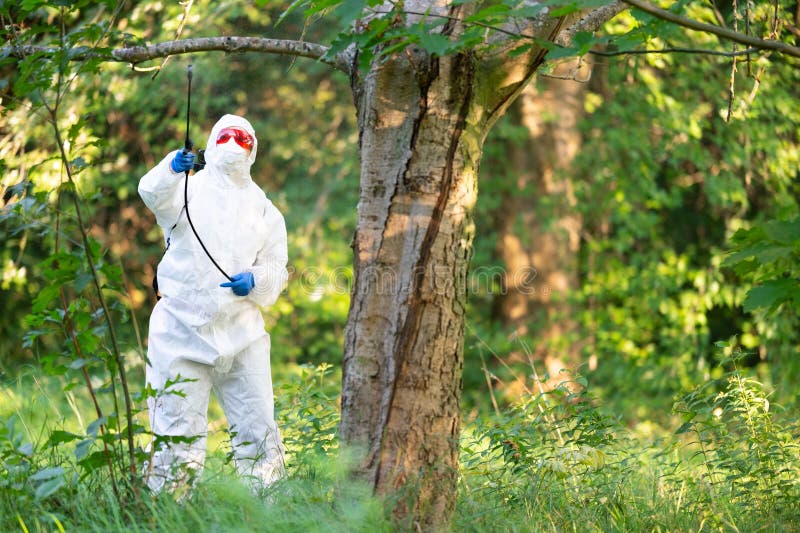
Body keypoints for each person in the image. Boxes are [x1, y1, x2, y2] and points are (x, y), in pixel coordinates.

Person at [138, 114, 288, 496]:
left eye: (243, 137)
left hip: (243, 334)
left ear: (253, 149)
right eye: (227, 135)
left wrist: (256, 281)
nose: (235, 143)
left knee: (258, 430)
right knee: (176, 431)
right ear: (212, 140)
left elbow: (276, 268)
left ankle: (269, 511)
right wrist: (172, 167)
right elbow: (153, 195)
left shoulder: (264, 209)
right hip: (181, 332)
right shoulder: (187, 191)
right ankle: (165, 512)